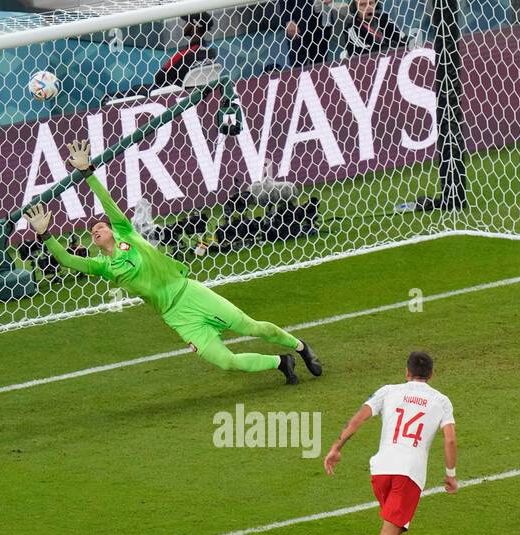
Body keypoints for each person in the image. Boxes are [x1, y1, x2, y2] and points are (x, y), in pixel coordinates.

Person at [35, 140, 324, 384]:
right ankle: (281, 362)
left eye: (100, 226)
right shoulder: (103, 267)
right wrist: (45, 234)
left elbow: (107, 201)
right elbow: (66, 259)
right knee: (226, 362)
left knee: (253, 328)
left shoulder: (127, 234)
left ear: (112, 229)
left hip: (191, 293)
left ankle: (300, 347)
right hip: (177, 317)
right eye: (91, 231)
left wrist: (87, 172)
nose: (95, 229)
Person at [323, 351, 457, 535]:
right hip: (409, 474)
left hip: (381, 470)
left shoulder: (388, 391)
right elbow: (449, 441)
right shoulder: (441, 401)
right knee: (389, 533)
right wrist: (450, 474)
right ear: (432, 374)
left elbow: (357, 420)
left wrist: (336, 447)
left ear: (407, 373)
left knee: (393, 524)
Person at [152, 13, 217, 88]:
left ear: (194, 27)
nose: (184, 25)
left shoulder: (183, 55)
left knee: (136, 89)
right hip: (203, 93)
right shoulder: (211, 53)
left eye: (187, 22)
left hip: (178, 95)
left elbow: (159, 78)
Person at [343, 0, 408, 59]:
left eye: (371, 3)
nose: (368, 7)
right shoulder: (352, 29)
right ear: (355, 8)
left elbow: (404, 40)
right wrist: (392, 46)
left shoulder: (385, 20)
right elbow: (363, 54)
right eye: (363, 5)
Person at [277, 0, 331, 68]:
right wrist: (288, 19)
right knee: (298, 61)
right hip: (298, 20)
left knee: (320, 59)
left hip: (322, 18)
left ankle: (319, 77)